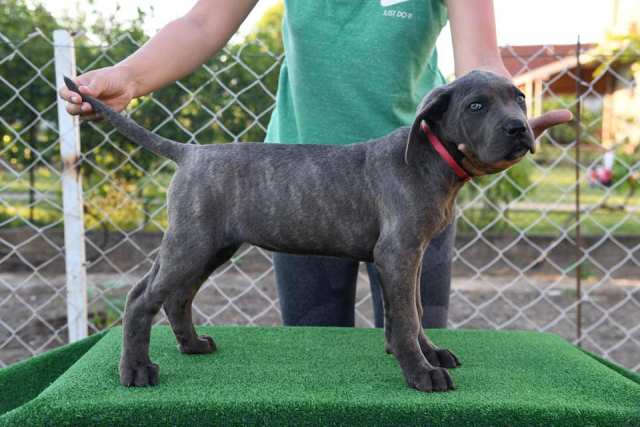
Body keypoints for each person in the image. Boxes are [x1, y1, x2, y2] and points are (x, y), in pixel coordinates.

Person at [60, 0, 570, 329]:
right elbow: (201, 21)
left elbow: (481, 63)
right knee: (316, 347)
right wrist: (129, 77)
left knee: (419, 342)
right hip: (298, 185)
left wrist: (504, 127)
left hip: (417, 175)